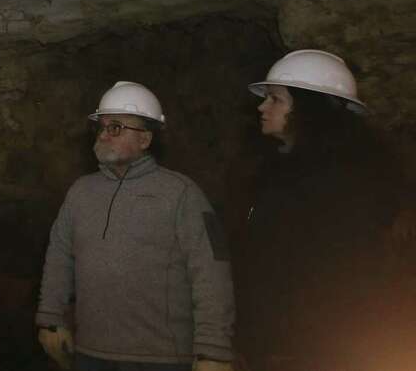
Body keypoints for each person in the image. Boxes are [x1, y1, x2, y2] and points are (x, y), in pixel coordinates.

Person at [35, 81, 234, 371]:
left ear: (145, 139)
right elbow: (59, 257)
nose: (103, 135)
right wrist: (50, 320)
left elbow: (210, 271)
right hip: (91, 354)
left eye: (115, 127)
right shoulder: (80, 191)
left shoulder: (181, 193)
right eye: (101, 127)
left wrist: (213, 350)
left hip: (162, 359)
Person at [233, 50, 404, 371]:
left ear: (309, 108)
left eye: (276, 99)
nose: (262, 107)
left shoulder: (345, 181)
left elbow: (340, 274)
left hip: (324, 348)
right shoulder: (279, 174)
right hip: (282, 345)